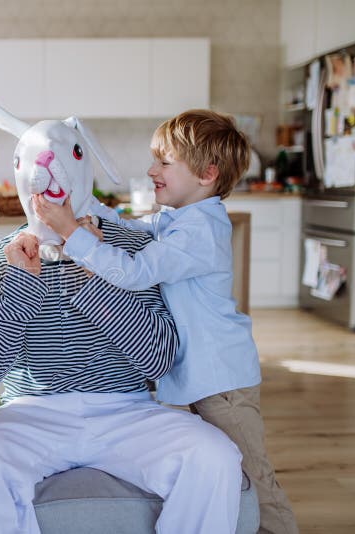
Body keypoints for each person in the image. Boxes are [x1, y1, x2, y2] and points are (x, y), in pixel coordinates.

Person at [33, 109, 298, 534]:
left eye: (164, 162)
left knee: (253, 479)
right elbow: (130, 227)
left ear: (206, 174)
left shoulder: (200, 232)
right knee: (218, 473)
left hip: (222, 382)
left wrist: (71, 233)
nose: (151, 170)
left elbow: (135, 271)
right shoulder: (180, 218)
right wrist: (81, 201)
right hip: (198, 378)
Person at [0, 218, 244, 532]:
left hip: (127, 411)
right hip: (31, 413)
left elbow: (159, 361)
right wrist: (20, 289)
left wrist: (96, 272)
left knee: (214, 457)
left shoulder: (134, 249)